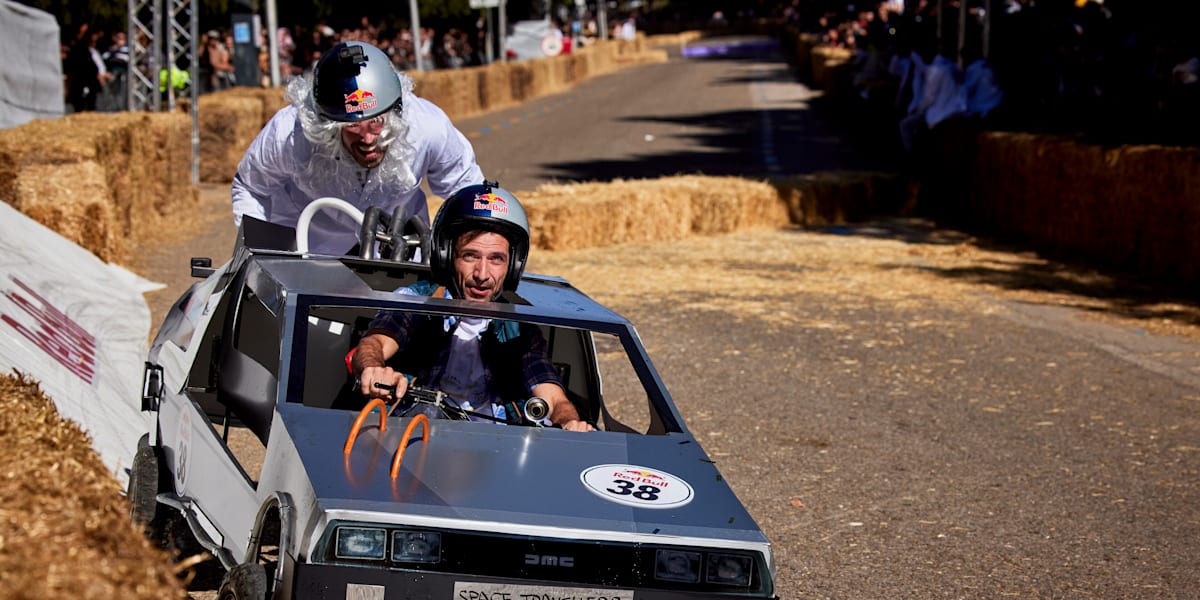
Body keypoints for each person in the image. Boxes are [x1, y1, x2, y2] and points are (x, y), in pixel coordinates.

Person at [350, 183, 594, 432]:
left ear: (512, 266)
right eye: (470, 256)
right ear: (446, 255)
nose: (482, 274)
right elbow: (375, 344)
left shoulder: (520, 327)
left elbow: (553, 398)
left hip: (494, 447)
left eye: (496, 259)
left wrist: (569, 421)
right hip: (416, 437)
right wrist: (374, 370)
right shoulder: (416, 301)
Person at [231, 40, 484, 255]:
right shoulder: (290, 133)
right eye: (352, 127)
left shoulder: (428, 127)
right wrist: (260, 254)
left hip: (398, 250)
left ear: (395, 112)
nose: (368, 139)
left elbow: (468, 192)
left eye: (376, 122)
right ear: (327, 125)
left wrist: (462, 254)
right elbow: (251, 186)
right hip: (306, 249)